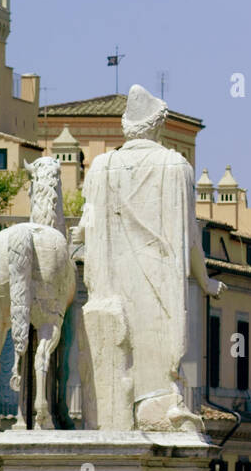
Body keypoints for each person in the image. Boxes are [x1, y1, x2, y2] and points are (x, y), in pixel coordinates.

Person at [77, 84, 222, 431]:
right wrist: (205, 281)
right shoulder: (176, 166)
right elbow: (190, 239)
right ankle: (159, 408)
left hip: (111, 286)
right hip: (158, 284)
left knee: (118, 358)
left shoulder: (100, 167)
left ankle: (114, 415)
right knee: (158, 369)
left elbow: (87, 225)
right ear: (158, 125)